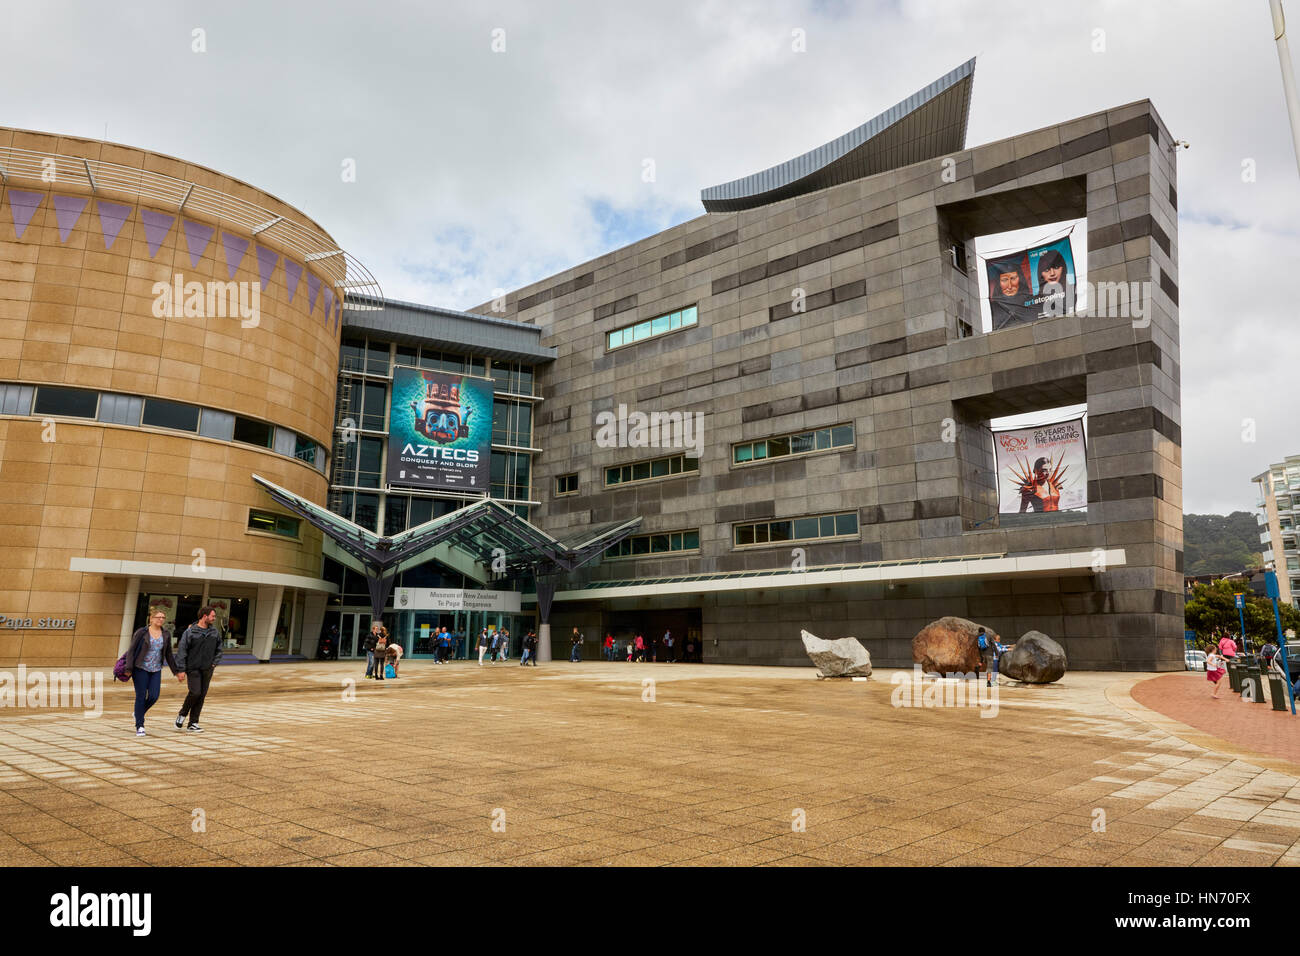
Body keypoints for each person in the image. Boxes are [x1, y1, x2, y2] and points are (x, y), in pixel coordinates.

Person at [124, 610, 185, 736]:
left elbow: (168, 654)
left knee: (154, 696)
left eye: (163, 617)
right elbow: (131, 651)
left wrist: (177, 672)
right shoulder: (142, 632)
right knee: (141, 696)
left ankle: (138, 713)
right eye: (158, 617)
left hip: (156, 669)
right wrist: (129, 669)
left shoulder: (166, 634)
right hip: (140, 668)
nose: (161, 619)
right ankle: (140, 725)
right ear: (151, 619)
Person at [175, 605, 222, 733]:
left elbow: (219, 650)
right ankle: (182, 714)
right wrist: (181, 669)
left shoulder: (215, 632)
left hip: (207, 669)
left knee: (201, 695)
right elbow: (182, 651)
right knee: (195, 692)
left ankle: (193, 723)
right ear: (204, 616)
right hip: (193, 668)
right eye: (212, 616)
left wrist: (214, 664)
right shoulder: (190, 632)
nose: (214, 618)